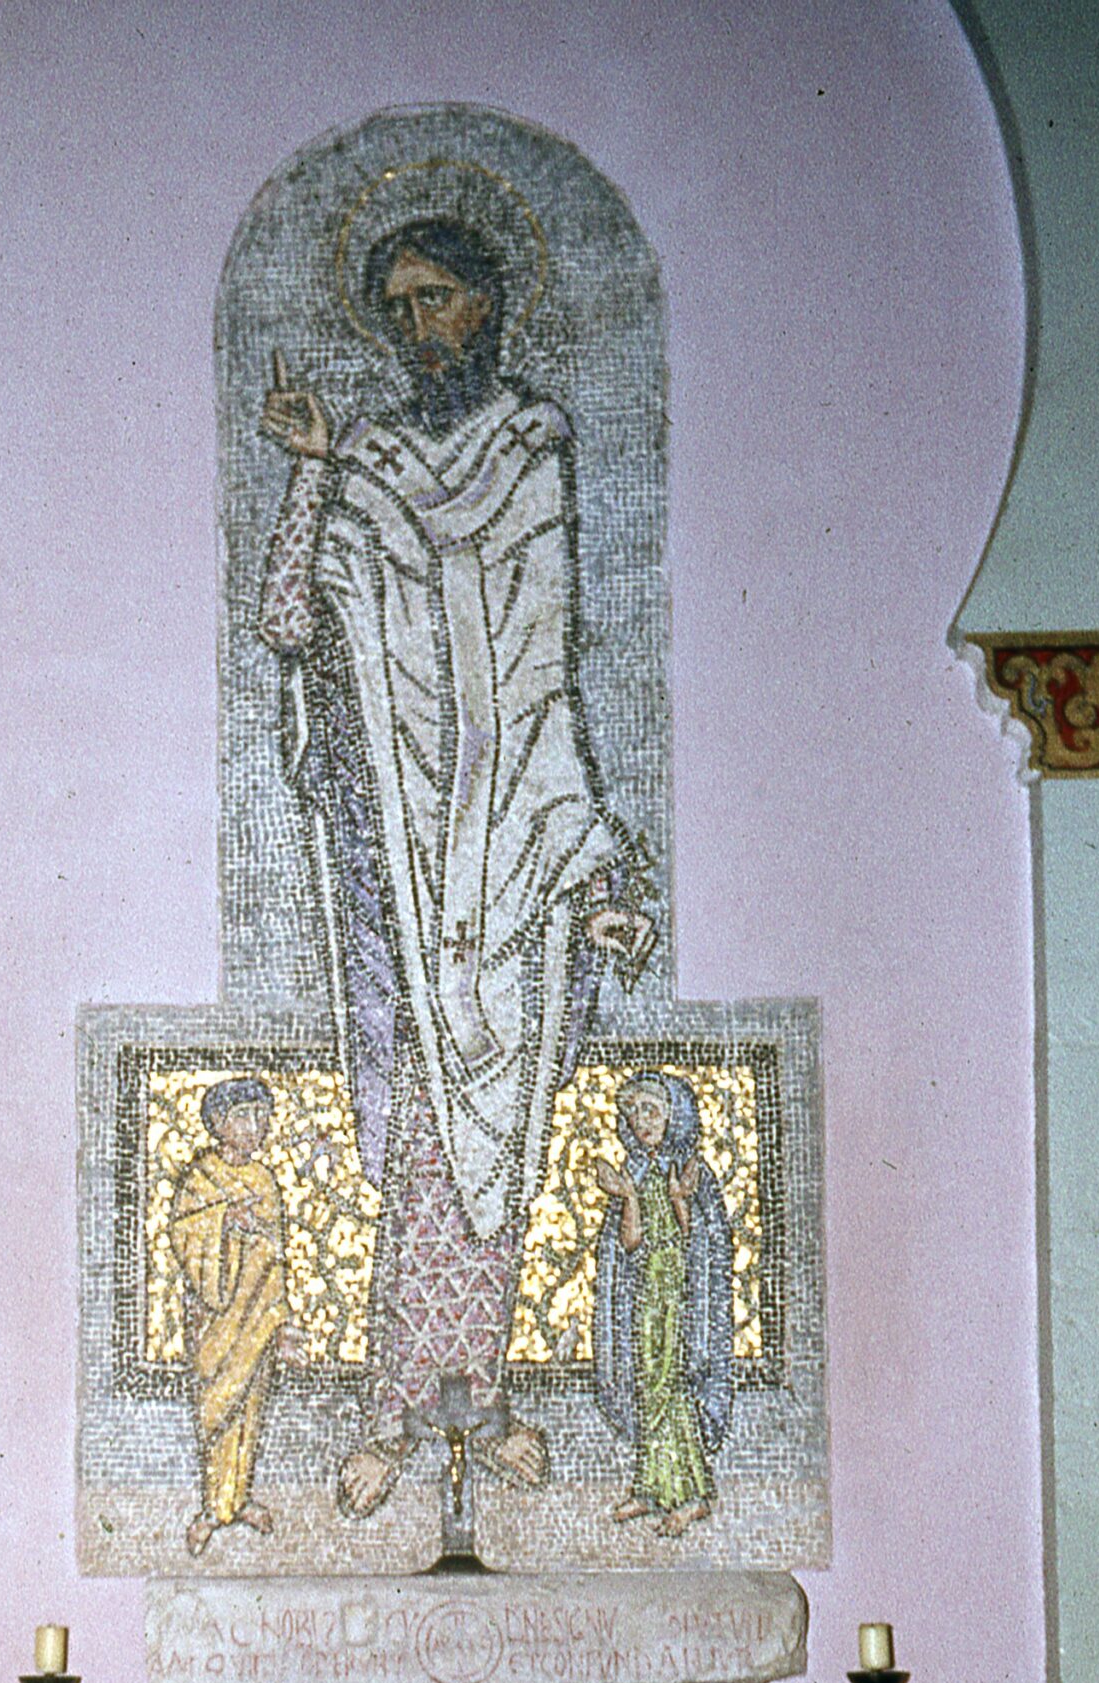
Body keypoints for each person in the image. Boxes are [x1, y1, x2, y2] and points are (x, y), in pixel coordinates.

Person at [258, 213, 653, 1518]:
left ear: (493, 301)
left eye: (445, 298)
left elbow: (539, 672)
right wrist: (314, 472)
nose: (426, 326)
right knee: (422, 1133)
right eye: (402, 306)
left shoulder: (530, 446)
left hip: (515, 832)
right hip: (393, 839)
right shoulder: (366, 459)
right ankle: (402, 1403)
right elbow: (291, 622)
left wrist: (588, 866)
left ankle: (473, 1400)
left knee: (503, 1124)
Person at [592, 1073, 735, 1536]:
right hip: (645, 1294)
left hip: (681, 1292)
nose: (642, 1121)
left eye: (651, 1110)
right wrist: (628, 1195)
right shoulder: (634, 1173)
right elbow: (630, 1241)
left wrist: (679, 1199)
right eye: (634, 1113)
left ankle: (694, 1495)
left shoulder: (692, 1171)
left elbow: (701, 1241)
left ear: (674, 1113)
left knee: (673, 1385)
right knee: (647, 1384)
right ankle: (650, 1487)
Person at [169, 1078, 301, 1553]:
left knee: (250, 1409)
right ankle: (211, 1508)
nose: (257, 1126)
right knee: (217, 1409)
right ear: (219, 1124)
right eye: (245, 1115)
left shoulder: (265, 1181)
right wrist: (225, 1222)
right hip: (216, 1319)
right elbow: (184, 1232)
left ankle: (239, 1499)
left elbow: (275, 1256)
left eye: (262, 1116)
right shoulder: (201, 1177)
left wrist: (281, 1322)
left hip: (256, 1317)